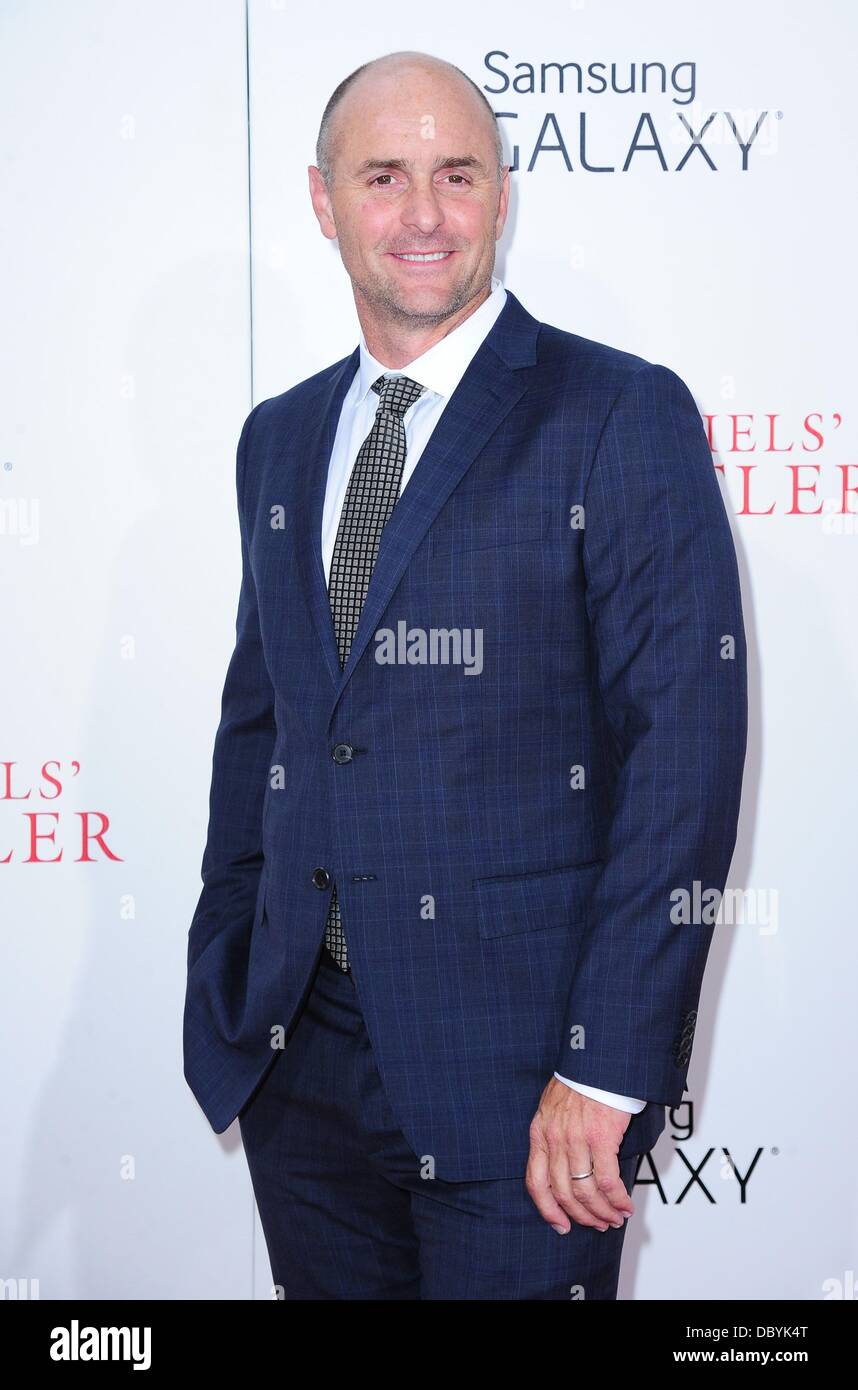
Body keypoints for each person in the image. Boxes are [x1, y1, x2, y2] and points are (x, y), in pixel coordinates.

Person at [183, 49, 748, 1300]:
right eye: (385, 177)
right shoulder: (279, 439)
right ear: (325, 202)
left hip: (531, 1092)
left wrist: (604, 1070)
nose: (424, 213)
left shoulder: (616, 413)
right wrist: (231, 953)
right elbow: (261, 727)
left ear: (501, 195)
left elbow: (684, 759)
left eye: (458, 174)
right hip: (302, 1069)